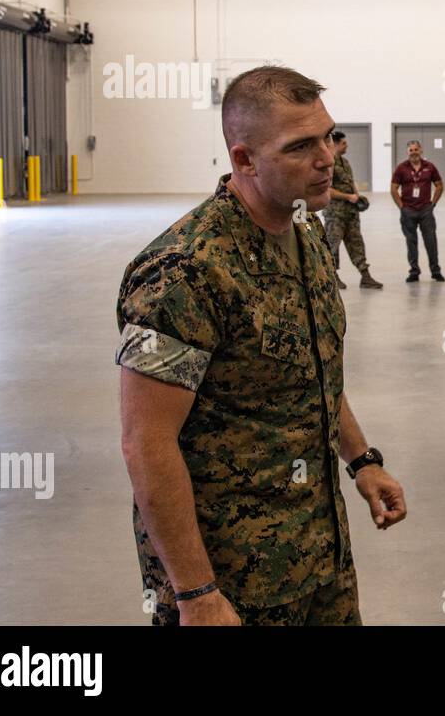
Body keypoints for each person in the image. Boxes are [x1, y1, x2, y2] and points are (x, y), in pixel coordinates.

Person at [116, 65, 407, 626]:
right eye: (300, 147)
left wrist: (362, 460)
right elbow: (146, 443)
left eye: (328, 136)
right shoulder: (184, 273)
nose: (328, 158)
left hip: (319, 553)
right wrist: (196, 592)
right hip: (233, 580)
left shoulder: (307, 241)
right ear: (244, 159)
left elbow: (311, 375)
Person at [324, 132, 383, 290]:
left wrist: (357, 196)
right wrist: (348, 197)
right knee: (332, 246)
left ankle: (365, 276)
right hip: (335, 214)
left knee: (357, 243)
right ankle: (332, 277)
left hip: (350, 213)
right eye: (343, 143)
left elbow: (351, 184)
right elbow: (327, 190)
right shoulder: (329, 164)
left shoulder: (345, 163)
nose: (346, 146)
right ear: (335, 144)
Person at [390, 139, 445, 283]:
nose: (414, 152)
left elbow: (439, 185)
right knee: (411, 242)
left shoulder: (430, 167)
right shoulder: (401, 168)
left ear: (421, 150)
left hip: (426, 210)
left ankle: (435, 271)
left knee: (431, 241)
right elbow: (393, 188)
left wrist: (433, 204)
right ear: (407, 152)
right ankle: (414, 271)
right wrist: (401, 207)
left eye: (416, 149)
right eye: (411, 150)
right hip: (408, 211)